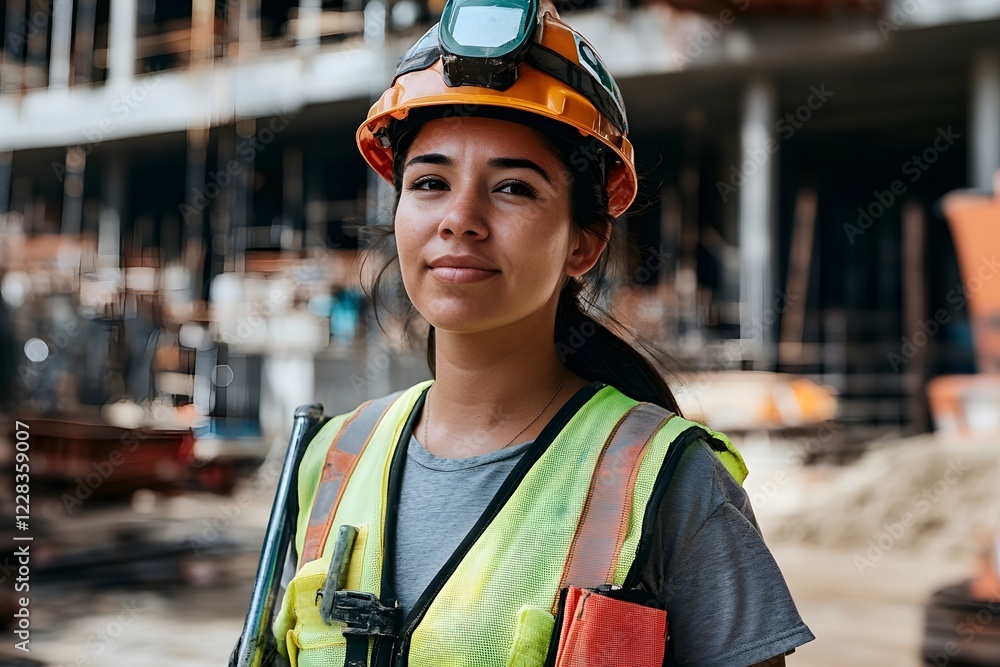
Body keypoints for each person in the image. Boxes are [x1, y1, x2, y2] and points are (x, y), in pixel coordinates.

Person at [271, 0, 814, 664]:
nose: (459, 218)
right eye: (431, 181)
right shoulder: (332, 460)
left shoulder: (668, 480)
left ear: (584, 243)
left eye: (513, 188)